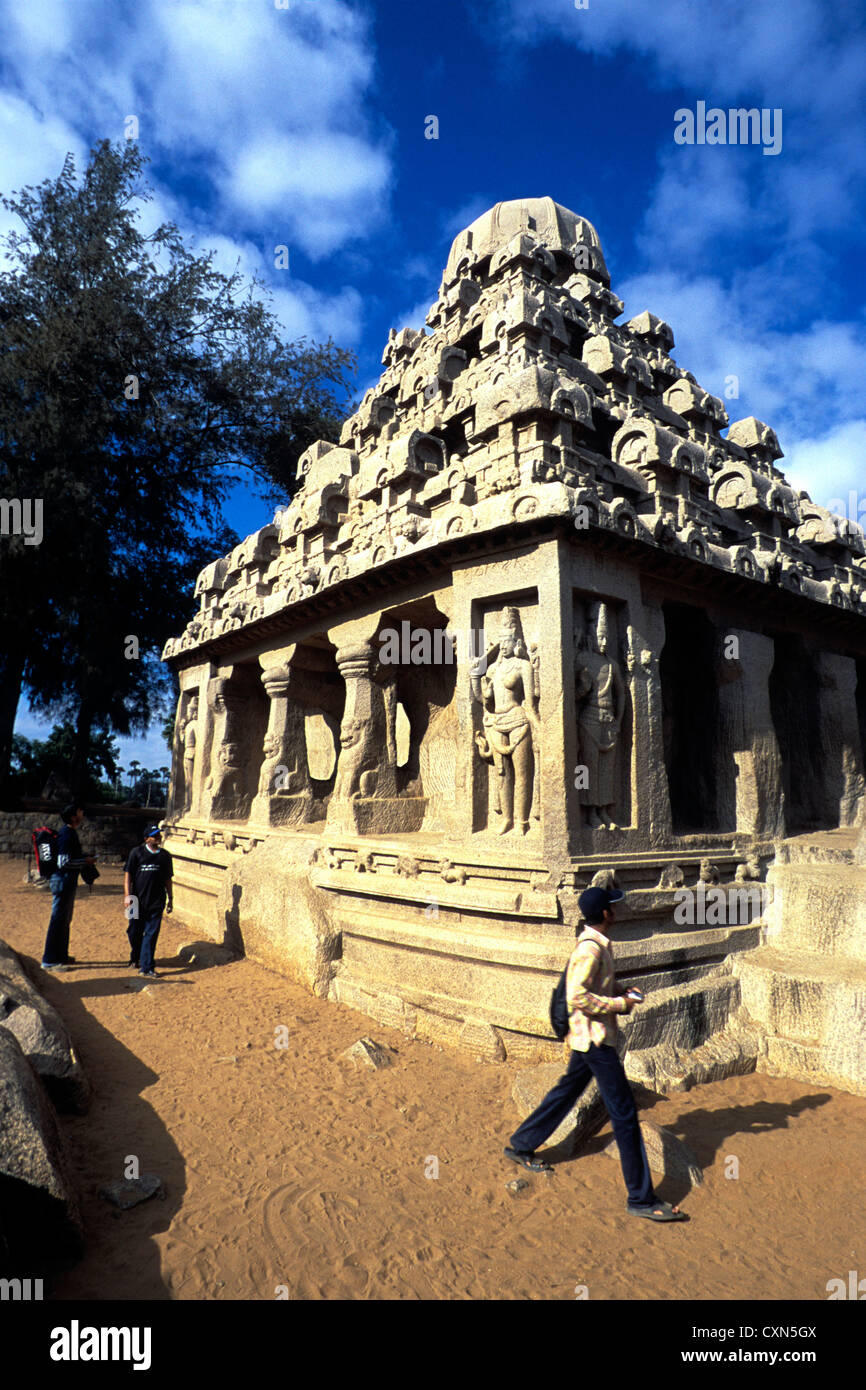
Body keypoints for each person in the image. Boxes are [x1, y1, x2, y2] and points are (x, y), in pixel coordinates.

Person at [504, 884, 685, 1222]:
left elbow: (592, 987)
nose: (617, 911)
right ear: (605, 914)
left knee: (566, 1091)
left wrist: (620, 990)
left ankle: (521, 1144)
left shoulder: (595, 943)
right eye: (613, 907)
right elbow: (576, 995)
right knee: (624, 1116)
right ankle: (641, 1199)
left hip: (587, 1039)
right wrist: (619, 1004)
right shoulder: (591, 949)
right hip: (596, 1042)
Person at [41, 803, 95, 971]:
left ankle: (60, 955)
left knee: (64, 919)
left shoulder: (69, 833)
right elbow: (63, 862)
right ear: (73, 816)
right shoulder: (67, 834)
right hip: (62, 880)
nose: (82, 812)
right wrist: (85, 861)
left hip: (66, 881)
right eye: (80, 811)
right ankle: (49, 960)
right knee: (58, 919)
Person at [124, 825, 173, 978]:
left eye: (158, 834)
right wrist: (127, 896)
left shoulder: (165, 856)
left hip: (156, 901)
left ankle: (147, 967)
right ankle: (135, 957)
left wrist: (171, 898)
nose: (158, 837)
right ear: (146, 839)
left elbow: (168, 879)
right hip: (135, 900)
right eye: (154, 835)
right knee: (134, 931)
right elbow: (128, 876)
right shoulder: (136, 853)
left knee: (151, 934)